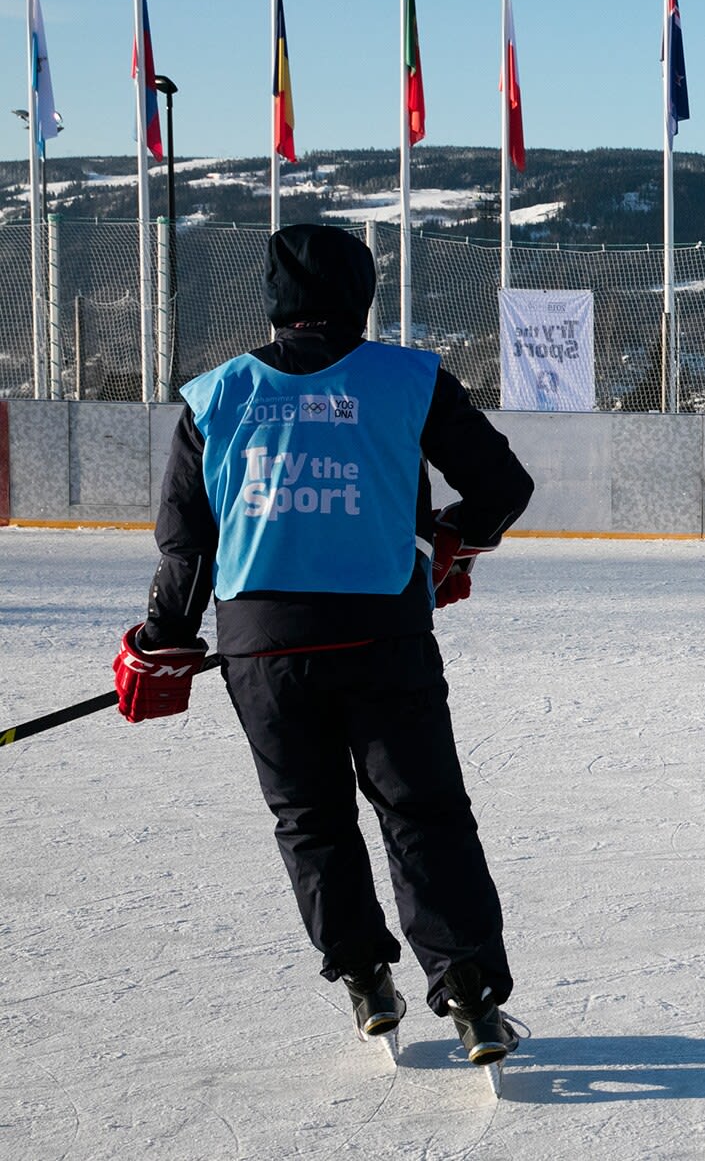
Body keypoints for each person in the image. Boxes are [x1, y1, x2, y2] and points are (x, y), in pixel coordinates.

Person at [110, 224, 536, 1066]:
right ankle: (471, 994)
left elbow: (188, 550)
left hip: (262, 647)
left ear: (275, 301)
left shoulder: (218, 393)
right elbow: (502, 485)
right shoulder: (409, 377)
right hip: (384, 634)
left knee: (310, 819)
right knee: (422, 813)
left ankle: (365, 978)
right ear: (361, 296)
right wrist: (448, 543)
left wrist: (160, 644)